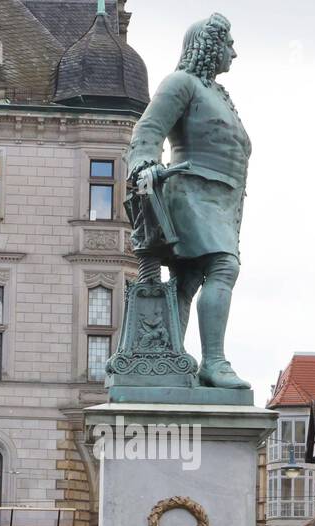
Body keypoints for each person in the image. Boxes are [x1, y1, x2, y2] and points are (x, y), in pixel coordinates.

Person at [124, 13, 251, 390]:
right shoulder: (182, 84)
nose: (234, 52)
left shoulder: (217, 93)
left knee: (188, 279)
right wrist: (144, 165)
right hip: (191, 191)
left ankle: (170, 358)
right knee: (223, 267)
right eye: (229, 44)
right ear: (210, 46)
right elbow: (148, 129)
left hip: (223, 200)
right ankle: (213, 361)